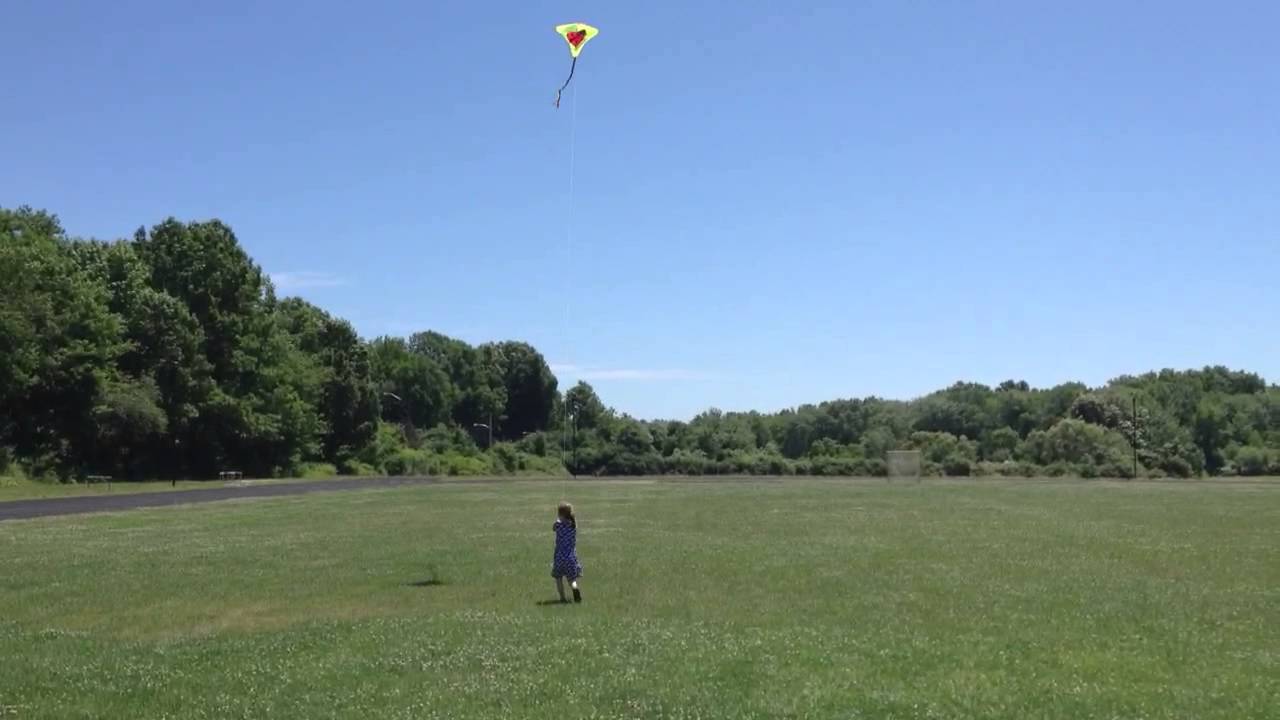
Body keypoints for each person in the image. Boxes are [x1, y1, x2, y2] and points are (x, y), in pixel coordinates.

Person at [551, 502, 583, 603]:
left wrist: (558, 520)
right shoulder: (573, 525)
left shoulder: (558, 525)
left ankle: (562, 598)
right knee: (571, 579)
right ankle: (574, 588)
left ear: (560, 514)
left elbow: (553, 528)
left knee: (558, 578)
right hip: (571, 557)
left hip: (559, 557)